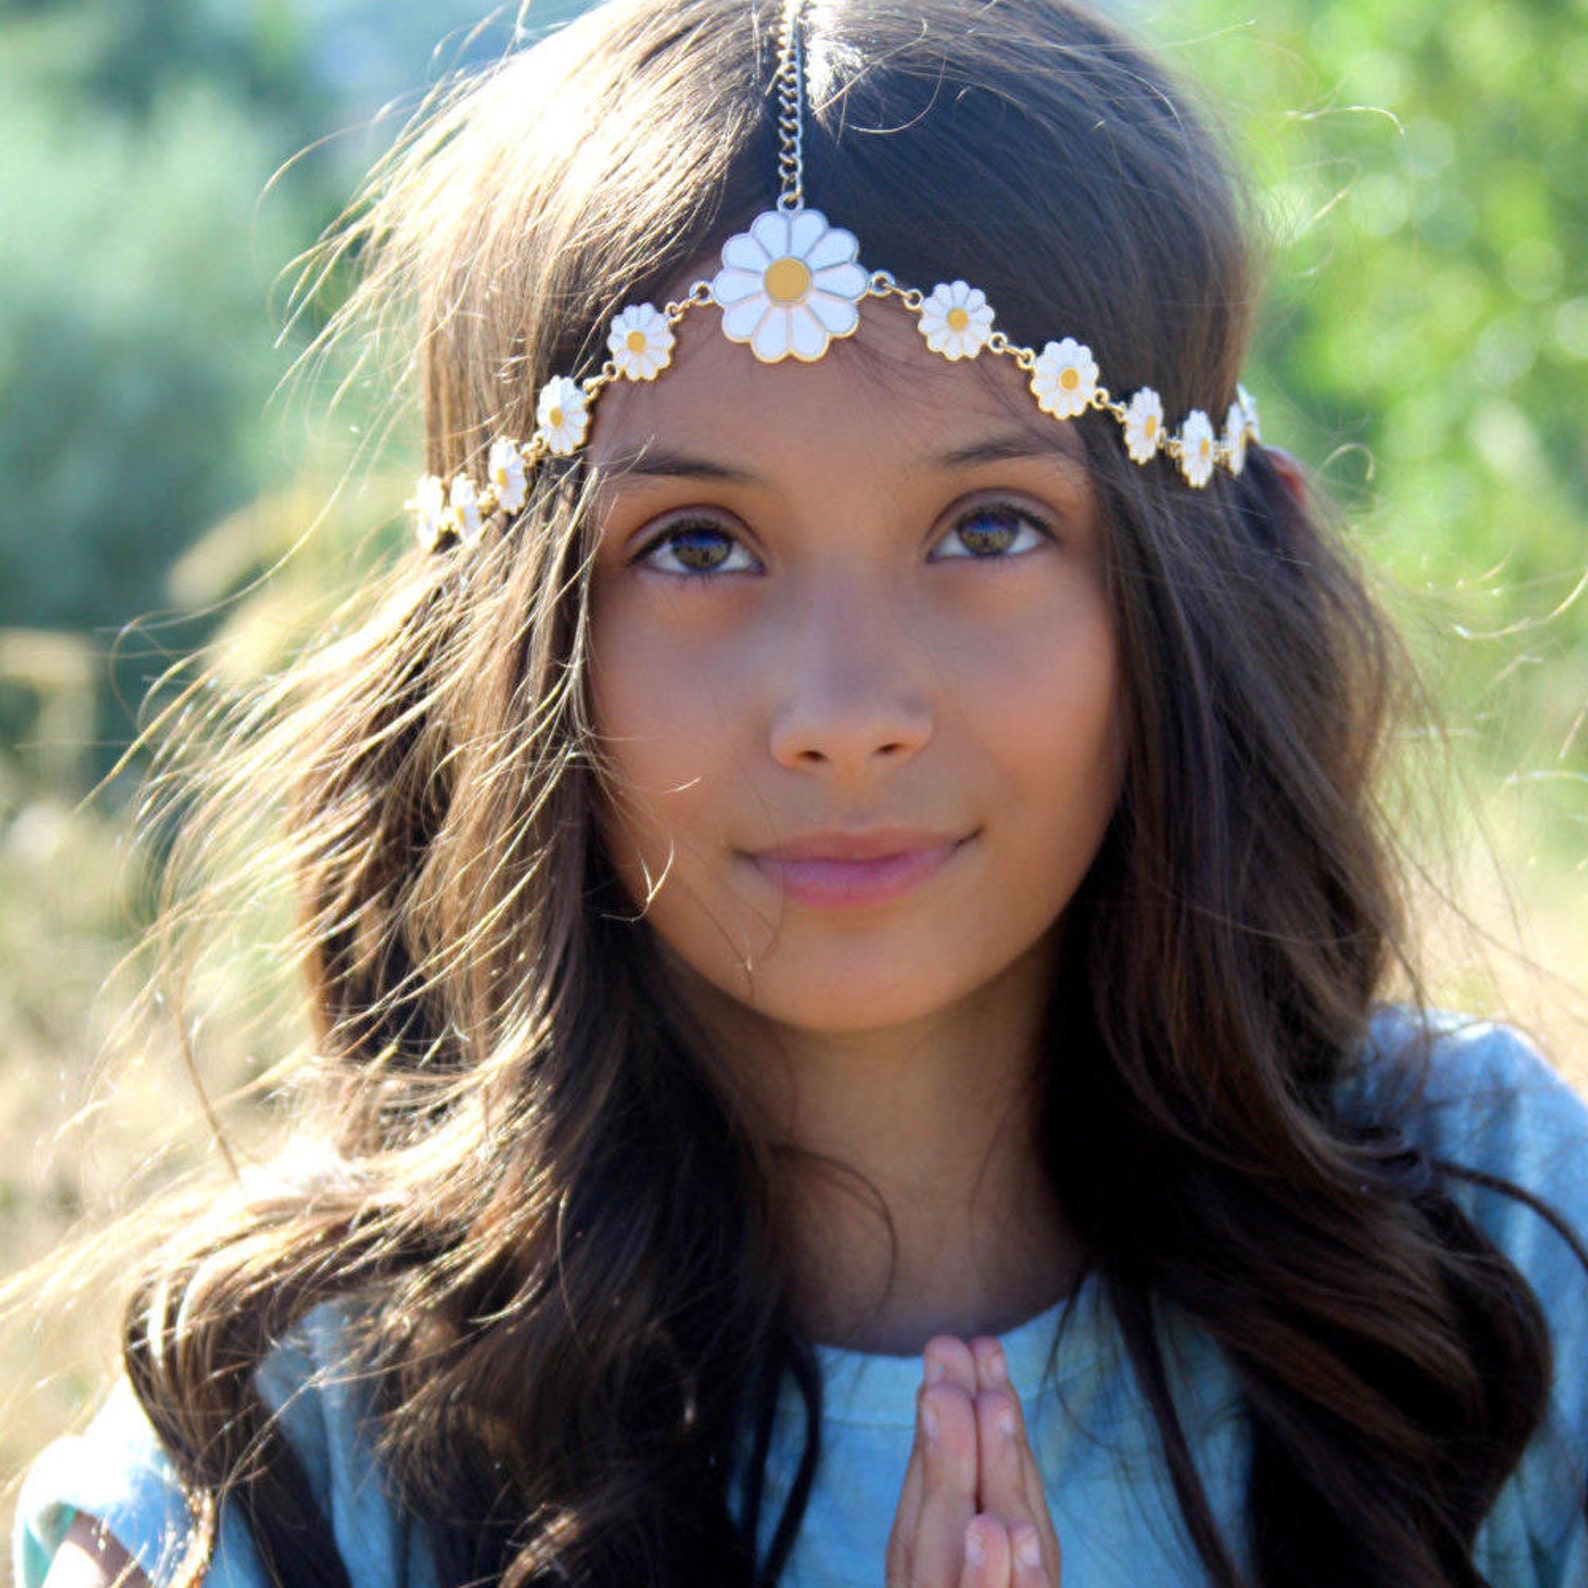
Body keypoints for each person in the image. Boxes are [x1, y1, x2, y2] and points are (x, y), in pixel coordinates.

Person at [14, 0, 1588, 1584]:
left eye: (988, 529)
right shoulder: (274, 1446)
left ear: (1202, 583)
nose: (845, 717)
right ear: (507, 645)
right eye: (698, 547)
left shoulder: (1487, 1240)